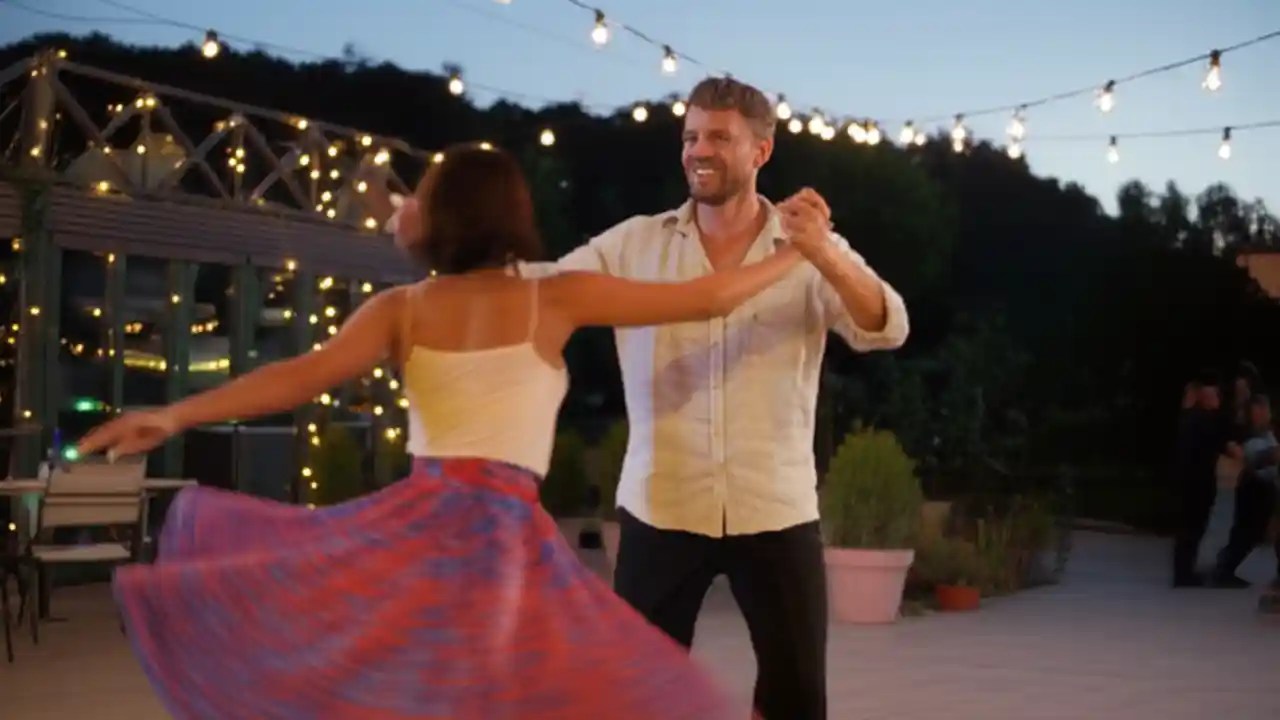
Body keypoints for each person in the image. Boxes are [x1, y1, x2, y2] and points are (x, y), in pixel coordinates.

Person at [74, 144, 809, 720]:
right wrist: (792, 252)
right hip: (501, 537)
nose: (407, 206)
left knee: (423, 691)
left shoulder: (404, 309)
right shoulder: (550, 298)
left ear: (450, 214)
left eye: (422, 195)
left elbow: (299, 376)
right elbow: (708, 296)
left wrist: (174, 414)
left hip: (423, 528)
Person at [523, 76, 909, 719]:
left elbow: (886, 324)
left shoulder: (805, 244)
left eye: (719, 138)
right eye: (691, 136)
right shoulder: (634, 243)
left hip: (775, 507)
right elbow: (549, 287)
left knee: (796, 697)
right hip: (663, 502)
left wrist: (822, 254)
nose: (699, 150)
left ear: (761, 151)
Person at [1171, 371, 1240, 587]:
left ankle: (1183, 571)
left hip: (1191, 481)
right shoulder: (1203, 420)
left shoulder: (1190, 418)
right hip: (1198, 482)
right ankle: (1184, 574)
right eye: (1214, 396)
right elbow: (1222, 443)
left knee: (1189, 528)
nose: (1218, 400)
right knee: (1193, 528)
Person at [1212, 393, 1279, 588]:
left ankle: (1228, 565)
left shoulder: (1267, 432)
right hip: (1254, 485)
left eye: (1264, 410)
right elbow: (1247, 459)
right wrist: (1270, 456)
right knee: (1245, 531)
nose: (1262, 414)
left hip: (1264, 485)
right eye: (1258, 411)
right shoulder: (1249, 434)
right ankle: (1226, 569)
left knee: (1253, 532)